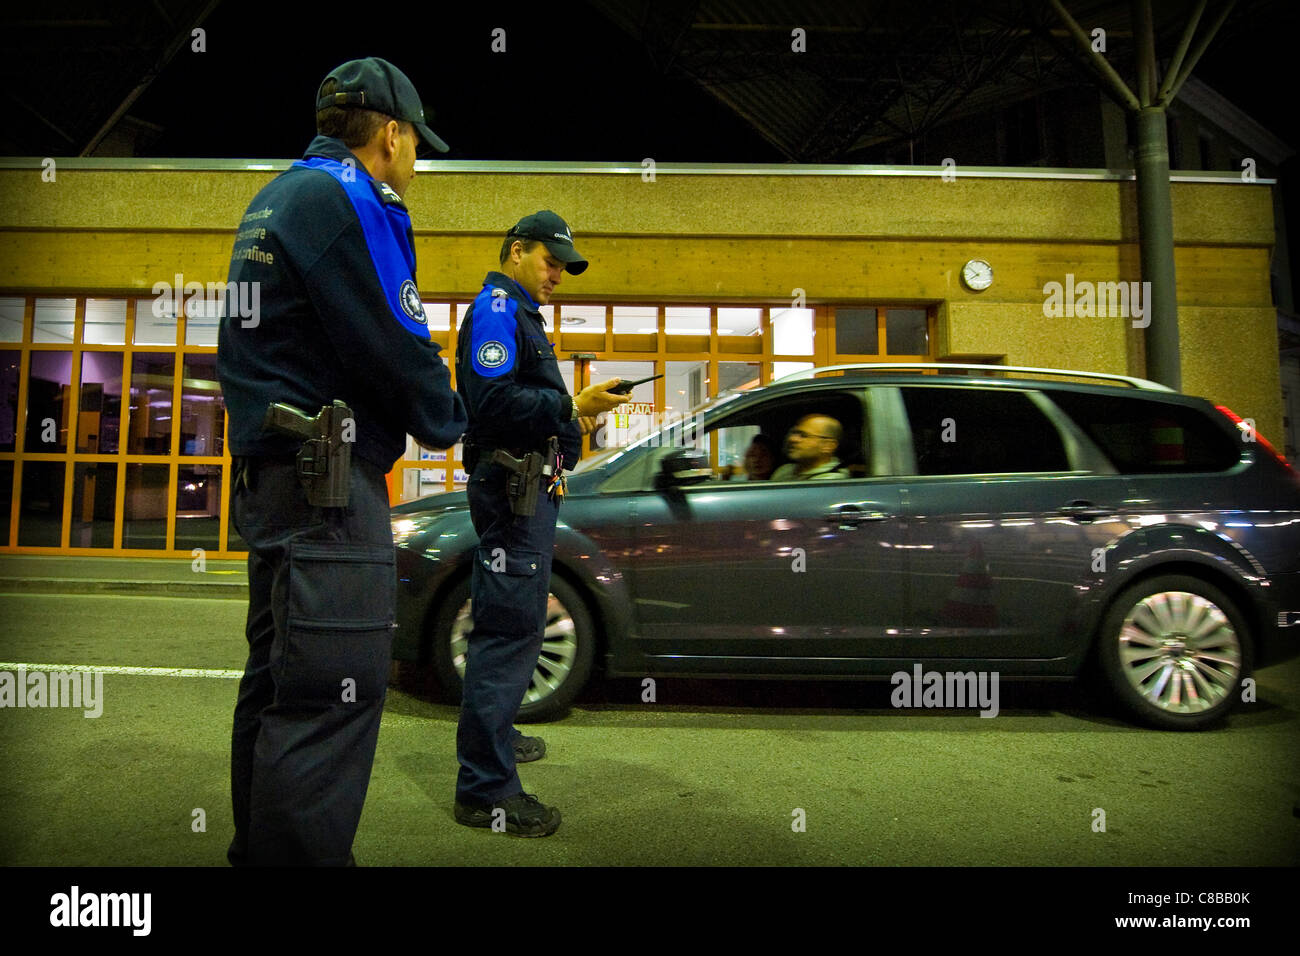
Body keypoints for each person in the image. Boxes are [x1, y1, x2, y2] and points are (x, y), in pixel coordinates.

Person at [216, 57, 467, 866]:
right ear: (390, 135)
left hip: (277, 482)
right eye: (416, 143)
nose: (417, 160)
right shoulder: (353, 198)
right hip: (328, 489)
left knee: (279, 686)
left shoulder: (274, 197)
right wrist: (447, 417)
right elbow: (397, 345)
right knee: (330, 698)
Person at [453, 210, 626, 837]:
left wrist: (572, 413)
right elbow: (491, 400)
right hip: (513, 490)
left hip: (527, 490)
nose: (558, 275)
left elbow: (520, 404)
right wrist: (571, 404)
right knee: (508, 630)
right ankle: (485, 789)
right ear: (517, 251)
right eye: (551, 261)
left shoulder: (519, 314)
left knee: (511, 622)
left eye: (564, 267)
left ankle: (493, 737)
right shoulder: (497, 311)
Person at [771, 414, 849, 480]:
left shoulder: (831, 481)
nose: (792, 439)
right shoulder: (785, 470)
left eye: (804, 435)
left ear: (828, 445)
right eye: (794, 433)